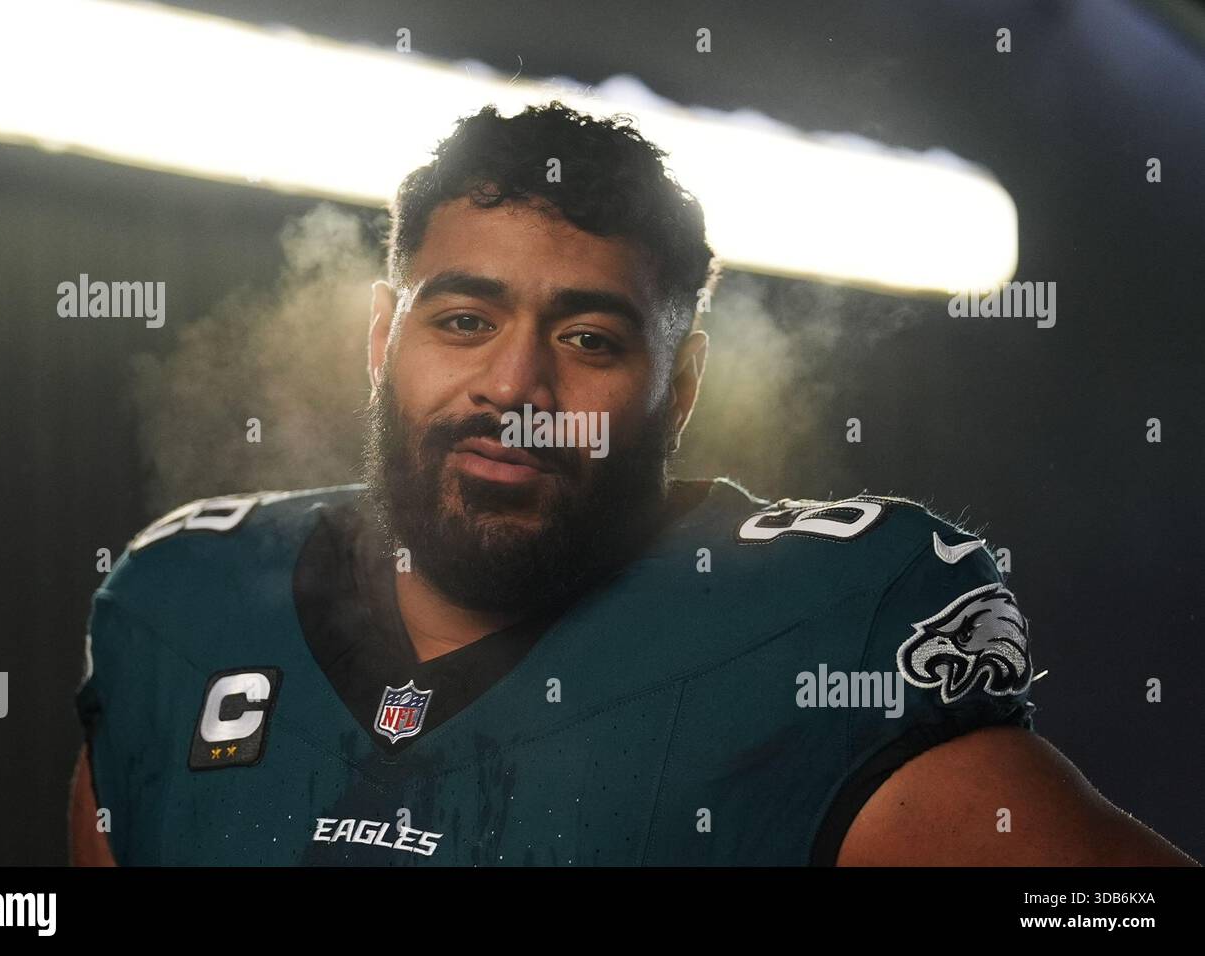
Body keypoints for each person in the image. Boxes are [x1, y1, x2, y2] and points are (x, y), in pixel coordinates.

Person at [69, 101, 1194, 866]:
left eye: (592, 338)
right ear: (381, 338)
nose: (514, 384)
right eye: (463, 320)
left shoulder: (811, 634)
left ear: (681, 382)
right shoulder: (187, 606)